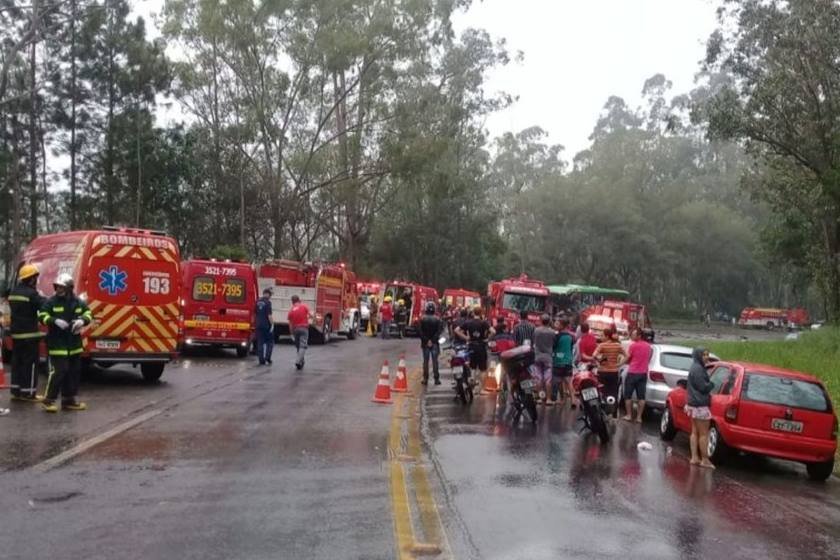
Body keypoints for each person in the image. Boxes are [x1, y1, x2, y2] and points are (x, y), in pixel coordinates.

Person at [38, 273, 92, 413]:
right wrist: (53, 320)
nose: (58, 289)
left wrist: (82, 321)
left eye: (61, 287)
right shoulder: (52, 302)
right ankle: (48, 400)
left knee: (73, 372)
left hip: (74, 344)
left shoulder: (77, 302)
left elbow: (88, 313)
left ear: (69, 288)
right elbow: (42, 315)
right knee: (59, 371)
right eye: (57, 287)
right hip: (58, 343)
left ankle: (69, 400)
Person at [8, 263, 45, 402]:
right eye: (35, 277)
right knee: (31, 364)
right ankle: (29, 393)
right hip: (30, 334)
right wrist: (43, 297)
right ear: (31, 278)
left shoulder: (14, 292)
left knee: (17, 362)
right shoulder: (31, 293)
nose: (36, 280)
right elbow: (44, 305)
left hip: (16, 334)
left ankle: (16, 391)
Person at [686, 348, 716, 469]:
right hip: (700, 404)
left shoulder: (695, 367)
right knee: (704, 433)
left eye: (707, 354)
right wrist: (712, 384)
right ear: (698, 355)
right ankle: (704, 459)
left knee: (694, 432)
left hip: (693, 404)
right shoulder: (698, 369)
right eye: (703, 355)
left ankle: (694, 457)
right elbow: (703, 387)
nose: (706, 357)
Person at [455, 306, 493, 385]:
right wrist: (487, 339)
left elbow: (456, 330)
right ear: (481, 313)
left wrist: (466, 338)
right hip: (481, 347)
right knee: (483, 369)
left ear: (473, 313)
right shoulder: (484, 323)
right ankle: (481, 388)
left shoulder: (468, 322)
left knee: (473, 367)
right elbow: (493, 331)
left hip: (472, 346)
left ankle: (472, 382)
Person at [594, 327, 626, 417]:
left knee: (602, 391)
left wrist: (599, 361)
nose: (601, 337)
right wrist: (619, 364)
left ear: (607, 336)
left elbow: (594, 355)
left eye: (602, 335)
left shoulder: (602, 345)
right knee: (613, 392)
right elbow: (627, 356)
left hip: (603, 372)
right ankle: (614, 413)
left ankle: (603, 411)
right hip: (614, 372)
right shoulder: (617, 345)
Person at [623, 327, 653, 423]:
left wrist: (620, 364)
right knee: (641, 396)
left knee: (628, 395)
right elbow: (649, 358)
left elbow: (628, 358)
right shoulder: (649, 347)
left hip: (632, 373)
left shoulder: (633, 346)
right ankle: (639, 417)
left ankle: (629, 415)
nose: (632, 335)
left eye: (634, 334)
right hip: (643, 373)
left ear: (639, 336)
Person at [532, 314, 556, 405]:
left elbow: (534, 341)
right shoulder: (552, 332)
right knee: (548, 379)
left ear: (541, 320)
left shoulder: (536, 330)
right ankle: (548, 399)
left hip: (537, 356)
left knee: (538, 378)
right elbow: (554, 343)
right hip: (548, 357)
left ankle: (539, 398)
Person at [418, 303, 443, 385]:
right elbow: (439, 332)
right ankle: (436, 379)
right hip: (435, 343)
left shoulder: (422, 319)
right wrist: (432, 340)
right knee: (435, 361)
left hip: (425, 343)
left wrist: (427, 340)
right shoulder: (438, 319)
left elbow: (420, 332)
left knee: (426, 361)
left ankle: (425, 378)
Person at [552, 318, 575, 407]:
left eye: (558, 324)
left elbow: (553, 347)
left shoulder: (557, 336)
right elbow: (571, 348)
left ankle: (562, 399)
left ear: (562, 326)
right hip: (568, 361)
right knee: (569, 382)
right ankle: (573, 400)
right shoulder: (571, 337)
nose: (556, 325)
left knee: (559, 381)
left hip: (558, 361)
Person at [288, 295, 311, 370]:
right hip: (304, 328)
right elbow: (311, 315)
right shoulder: (304, 306)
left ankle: (301, 361)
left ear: (292, 302)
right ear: (299, 300)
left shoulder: (291, 310)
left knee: (298, 346)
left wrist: (291, 333)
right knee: (303, 346)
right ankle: (298, 361)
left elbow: (290, 324)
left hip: (295, 330)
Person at [255, 288, 274, 365]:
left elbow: (255, 313)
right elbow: (269, 315)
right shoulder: (268, 302)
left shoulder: (257, 301)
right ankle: (268, 358)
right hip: (266, 325)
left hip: (258, 324)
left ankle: (261, 360)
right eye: (270, 295)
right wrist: (272, 324)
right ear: (268, 294)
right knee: (270, 342)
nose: (270, 296)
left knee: (260, 342)